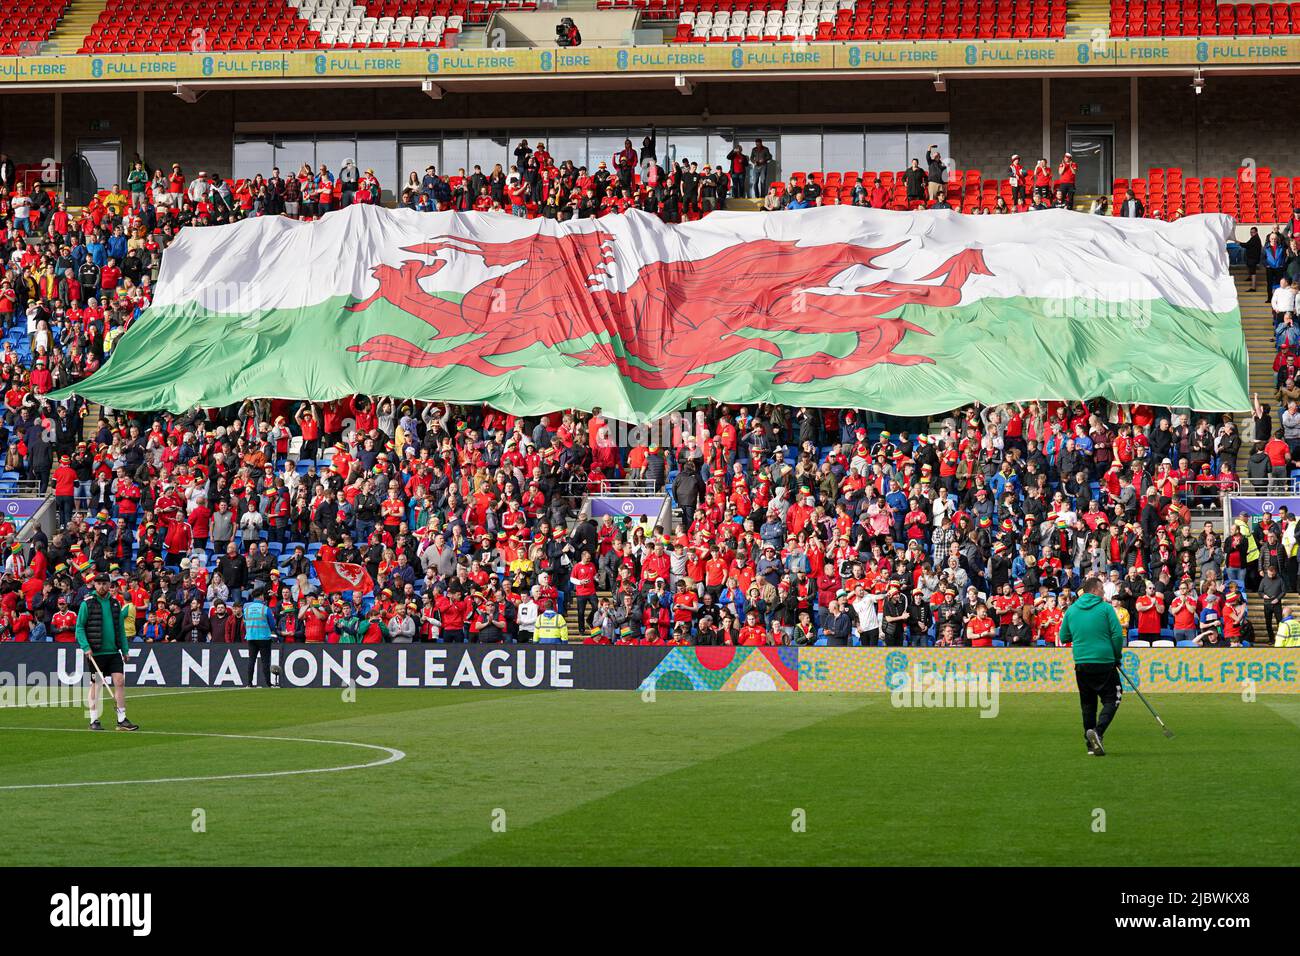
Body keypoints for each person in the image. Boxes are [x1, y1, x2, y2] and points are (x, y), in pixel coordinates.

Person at [1060, 576, 1125, 756]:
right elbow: (1117, 636)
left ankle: (1090, 746)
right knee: (1113, 699)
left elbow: (1064, 637)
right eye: (1102, 590)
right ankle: (1098, 732)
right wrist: (1116, 656)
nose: (1104, 593)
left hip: (1082, 662)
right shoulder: (1105, 608)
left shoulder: (1072, 610)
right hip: (1104, 661)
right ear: (1095, 590)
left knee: (1088, 705)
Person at [74, 572, 138, 731]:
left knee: (120, 681)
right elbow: (79, 627)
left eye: (105, 583)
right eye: (99, 583)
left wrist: (125, 649)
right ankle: (94, 719)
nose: (102, 586)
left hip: (113, 651)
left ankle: (122, 719)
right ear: (94, 585)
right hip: (95, 652)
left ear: (110, 585)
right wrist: (85, 646)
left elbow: (120, 630)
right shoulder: (87, 603)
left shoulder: (115, 603)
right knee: (96, 684)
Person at [242, 587, 277, 688]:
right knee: (265, 661)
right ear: (261, 596)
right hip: (264, 637)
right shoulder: (265, 609)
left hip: (251, 637)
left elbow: (245, 623)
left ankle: (249, 683)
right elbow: (272, 624)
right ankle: (268, 683)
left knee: (251, 660)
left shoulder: (247, 609)